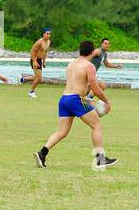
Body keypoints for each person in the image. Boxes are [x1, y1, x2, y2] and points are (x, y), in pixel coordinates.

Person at [34, 40, 117, 169]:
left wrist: (85, 97)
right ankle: (100, 159)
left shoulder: (71, 64)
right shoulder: (89, 66)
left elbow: (76, 84)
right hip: (75, 100)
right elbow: (96, 89)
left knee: (62, 132)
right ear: (92, 51)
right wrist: (107, 101)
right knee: (96, 126)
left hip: (64, 99)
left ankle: (42, 153)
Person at [27, 29, 52, 98]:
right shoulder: (39, 42)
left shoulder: (48, 42)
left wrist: (44, 61)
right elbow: (32, 51)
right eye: (47, 34)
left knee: (38, 78)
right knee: (39, 77)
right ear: (43, 34)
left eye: (49, 34)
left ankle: (24, 79)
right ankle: (31, 92)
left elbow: (45, 52)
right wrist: (34, 61)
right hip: (34, 59)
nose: (48, 35)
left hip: (40, 60)